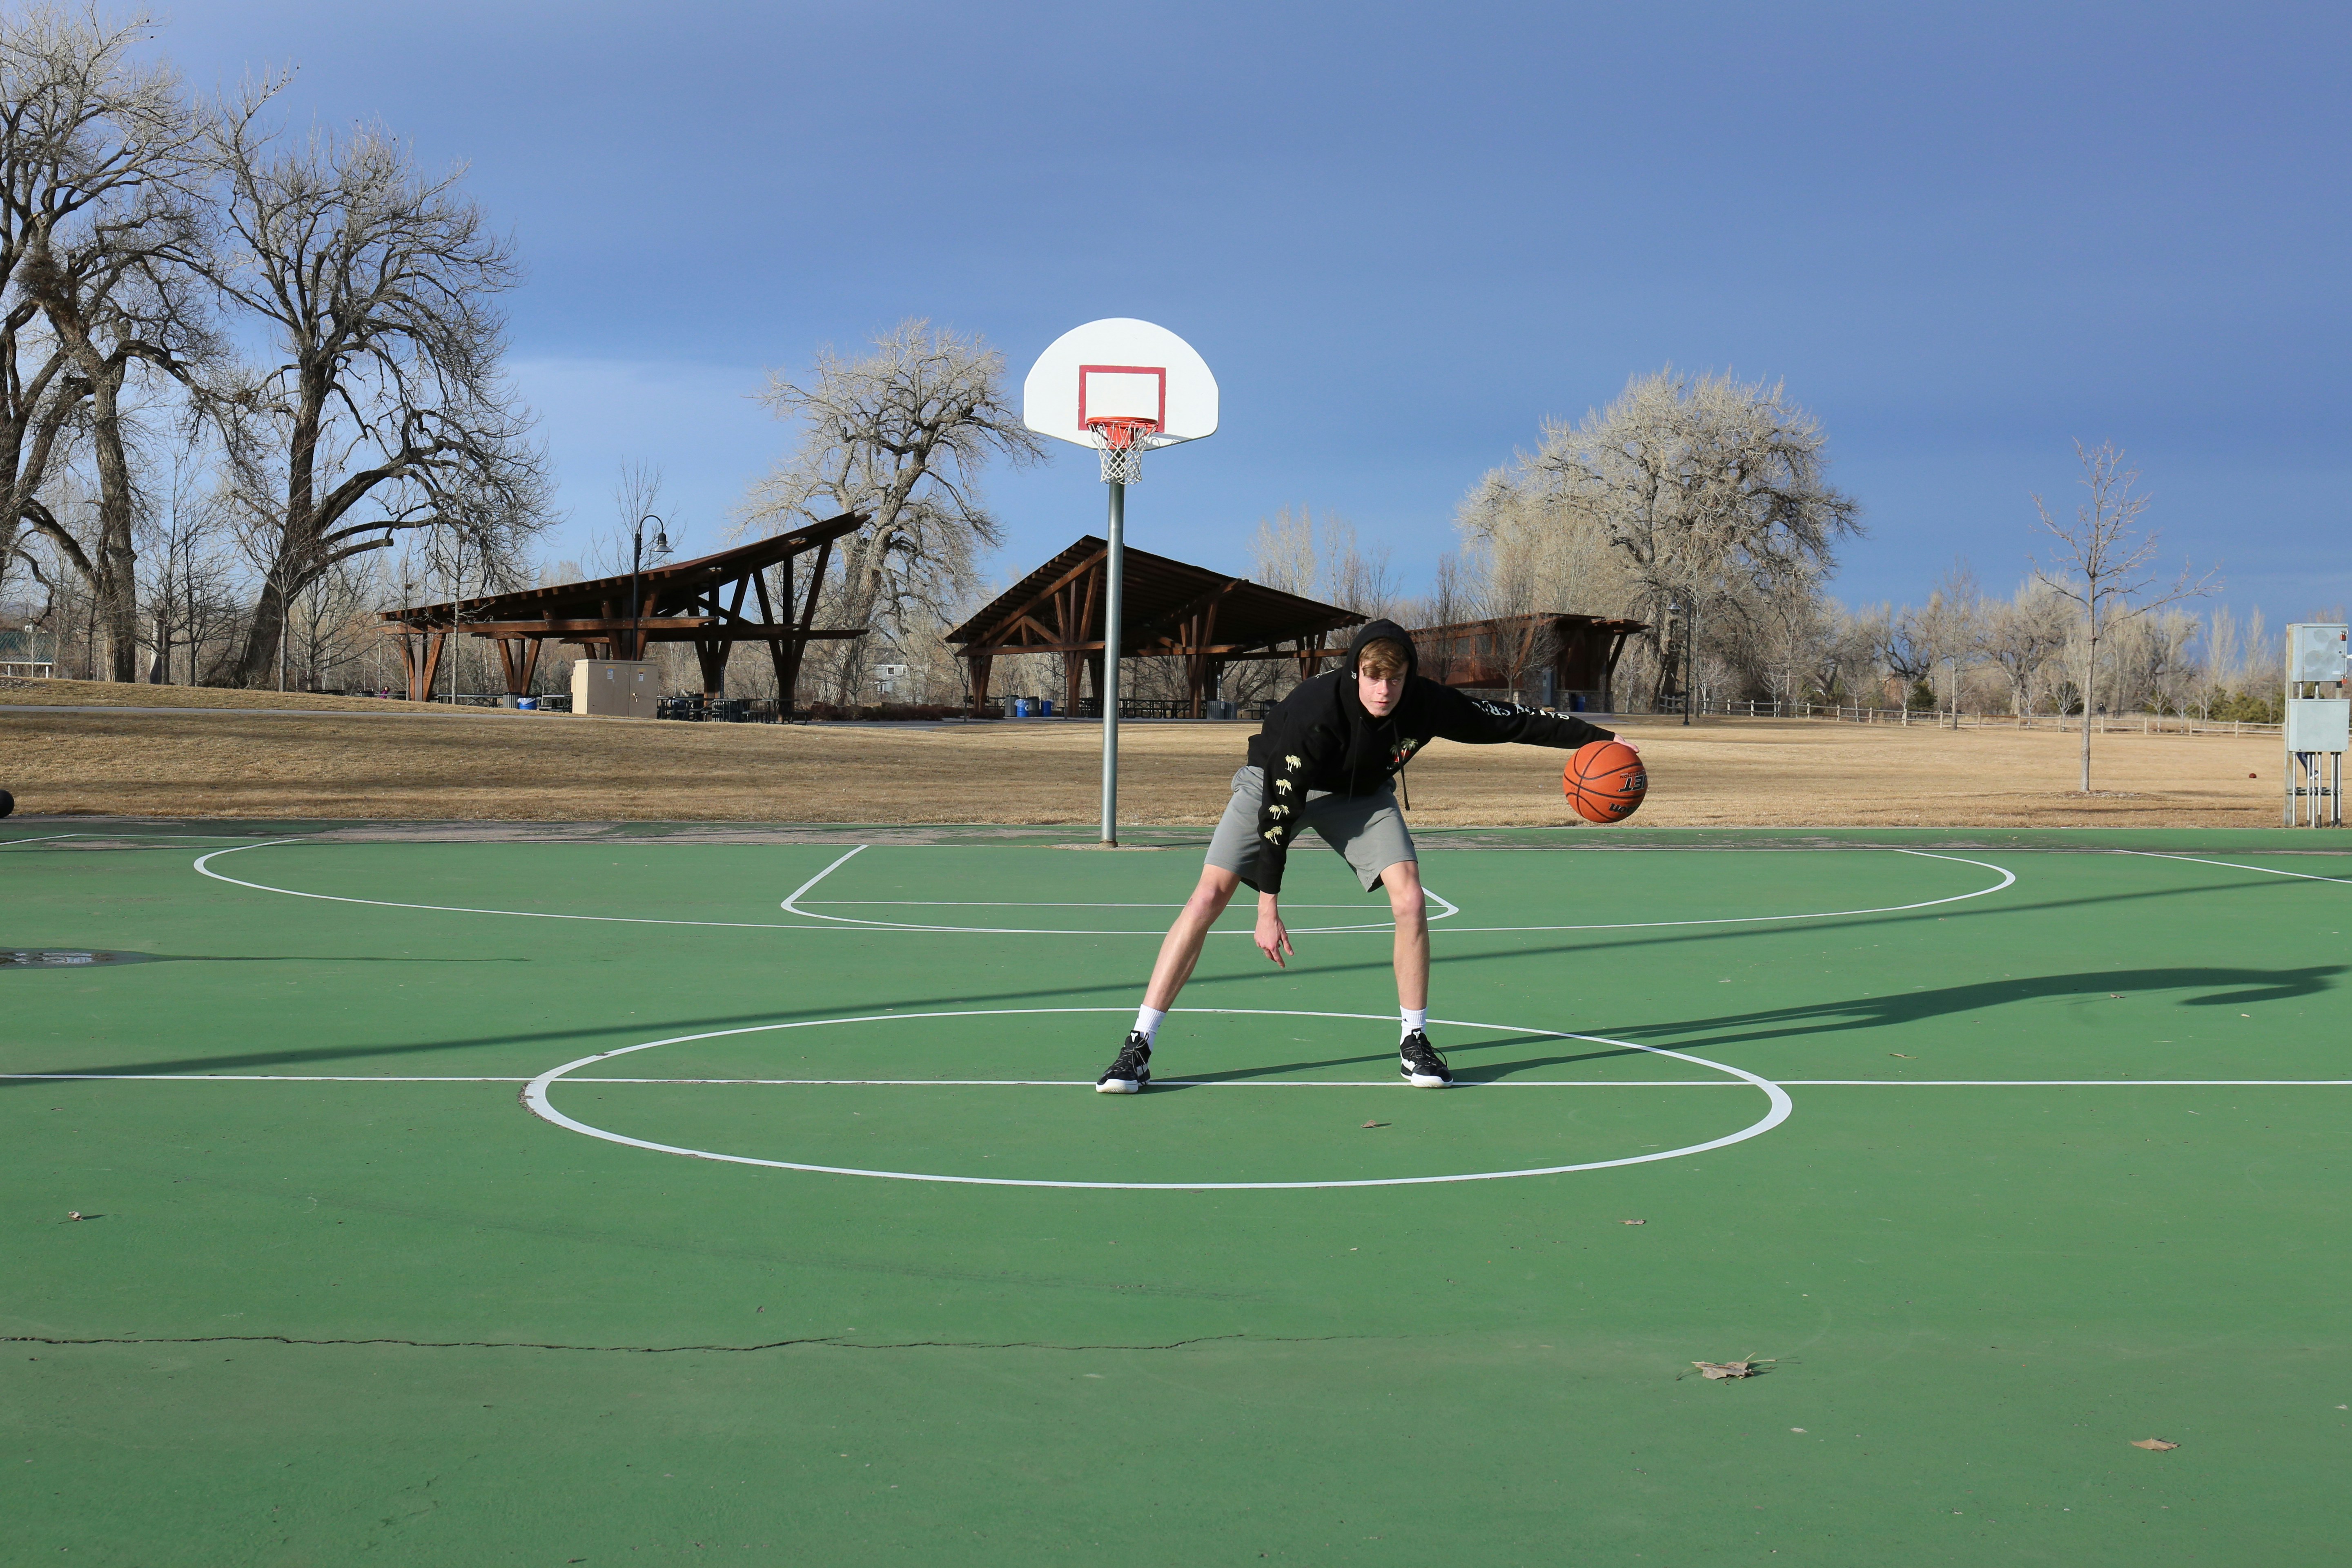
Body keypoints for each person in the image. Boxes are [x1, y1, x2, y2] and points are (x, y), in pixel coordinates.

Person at [1096, 618, 1629, 1094]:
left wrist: (1603, 739)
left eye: (1394, 678)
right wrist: (1267, 908)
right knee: (1208, 897)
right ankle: (1138, 1047)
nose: (1383, 689)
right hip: (1276, 786)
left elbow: (1512, 721)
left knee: (1410, 899)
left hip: (1360, 799)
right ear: (1356, 672)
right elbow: (1280, 812)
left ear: (1407, 676)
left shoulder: (1426, 703)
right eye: (1373, 676)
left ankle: (1415, 1042)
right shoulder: (1315, 711)